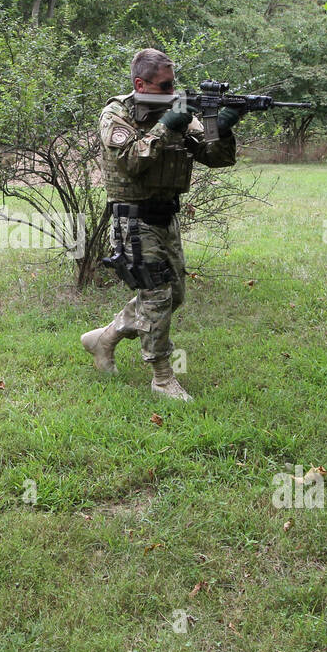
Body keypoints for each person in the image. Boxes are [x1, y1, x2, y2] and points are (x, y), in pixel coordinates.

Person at [80, 48, 243, 400]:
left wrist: (222, 126)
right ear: (141, 83)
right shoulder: (117, 114)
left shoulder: (174, 108)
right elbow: (130, 161)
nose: (173, 91)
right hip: (133, 220)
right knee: (156, 298)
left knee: (174, 296)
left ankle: (104, 338)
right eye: (165, 85)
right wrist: (168, 126)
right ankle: (162, 377)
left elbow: (213, 156)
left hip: (166, 217)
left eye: (174, 83)